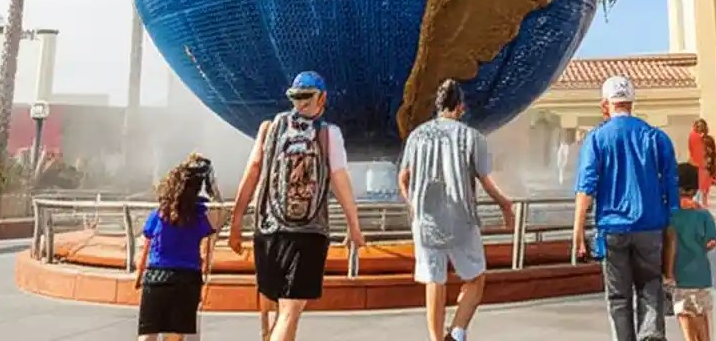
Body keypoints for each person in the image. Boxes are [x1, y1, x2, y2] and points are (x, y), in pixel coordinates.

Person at [228, 71, 367, 341]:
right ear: (322, 98)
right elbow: (340, 180)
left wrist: (236, 222)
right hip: (308, 233)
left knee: (283, 307)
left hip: (268, 230)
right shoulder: (328, 133)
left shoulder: (268, 128)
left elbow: (253, 171)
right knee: (291, 310)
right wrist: (354, 226)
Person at [399, 79, 515, 341]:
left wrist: (413, 204)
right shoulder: (472, 137)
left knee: (434, 279)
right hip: (461, 219)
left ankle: (435, 338)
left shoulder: (417, 136)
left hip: (425, 220)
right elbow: (485, 181)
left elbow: (403, 178)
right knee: (476, 277)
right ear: (460, 107)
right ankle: (458, 330)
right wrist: (505, 204)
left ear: (437, 106)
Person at [573, 75, 679, 341]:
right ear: (631, 102)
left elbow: (586, 189)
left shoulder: (596, 140)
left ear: (605, 105)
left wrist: (577, 232)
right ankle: (651, 335)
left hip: (612, 229)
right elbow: (671, 188)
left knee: (619, 297)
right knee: (650, 286)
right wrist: (671, 226)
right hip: (650, 225)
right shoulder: (656, 138)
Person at [135, 154, 222, 341]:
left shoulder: (159, 213)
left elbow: (146, 243)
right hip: (187, 278)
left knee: (147, 334)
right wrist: (212, 187)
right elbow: (222, 214)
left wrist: (139, 274)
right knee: (175, 336)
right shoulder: (199, 215)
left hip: (156, 276)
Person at [663, 165, 716, 341]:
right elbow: (712, 241)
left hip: (680, 277)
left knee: (685, 314)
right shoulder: (703, 214)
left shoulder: (670, 215)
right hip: (701, 275)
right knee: (701, 314)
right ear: (695, 189)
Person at [687, 120, 716, 207]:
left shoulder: (709, 139)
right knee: (698, 187)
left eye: (702, 126)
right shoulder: (693, 138)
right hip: (696, 165)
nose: (700, 128)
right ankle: (699, 204)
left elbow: (713, 153)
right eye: (698, 126)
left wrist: (713, 168)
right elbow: (691, 150)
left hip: (706, 165)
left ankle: (703, 204)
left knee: (704, 188)